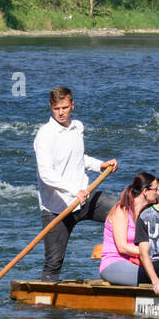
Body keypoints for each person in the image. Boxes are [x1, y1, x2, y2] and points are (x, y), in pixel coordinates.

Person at [34, 86, 119, 282]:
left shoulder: (77, 127)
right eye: (56, 109)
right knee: (52, 266)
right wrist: (74, 190)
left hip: (85, 198)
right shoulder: (45, 136)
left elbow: (78, 158)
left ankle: (119, 258)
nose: (61, 112)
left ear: (72, 105)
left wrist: (100, 165)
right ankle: (44, 301)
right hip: (57, 208)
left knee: (121, 212)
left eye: (64, 107)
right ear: (51, 108)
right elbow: (46, 174)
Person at [100, 172, 158, 286]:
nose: (158, 193)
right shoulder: (121, 211)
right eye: (156, 190)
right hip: (114, 263)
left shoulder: (148, 213)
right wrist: (148, 252)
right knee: (156, 275)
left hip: (137, 262)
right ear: (145, 192)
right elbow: (122, 247)